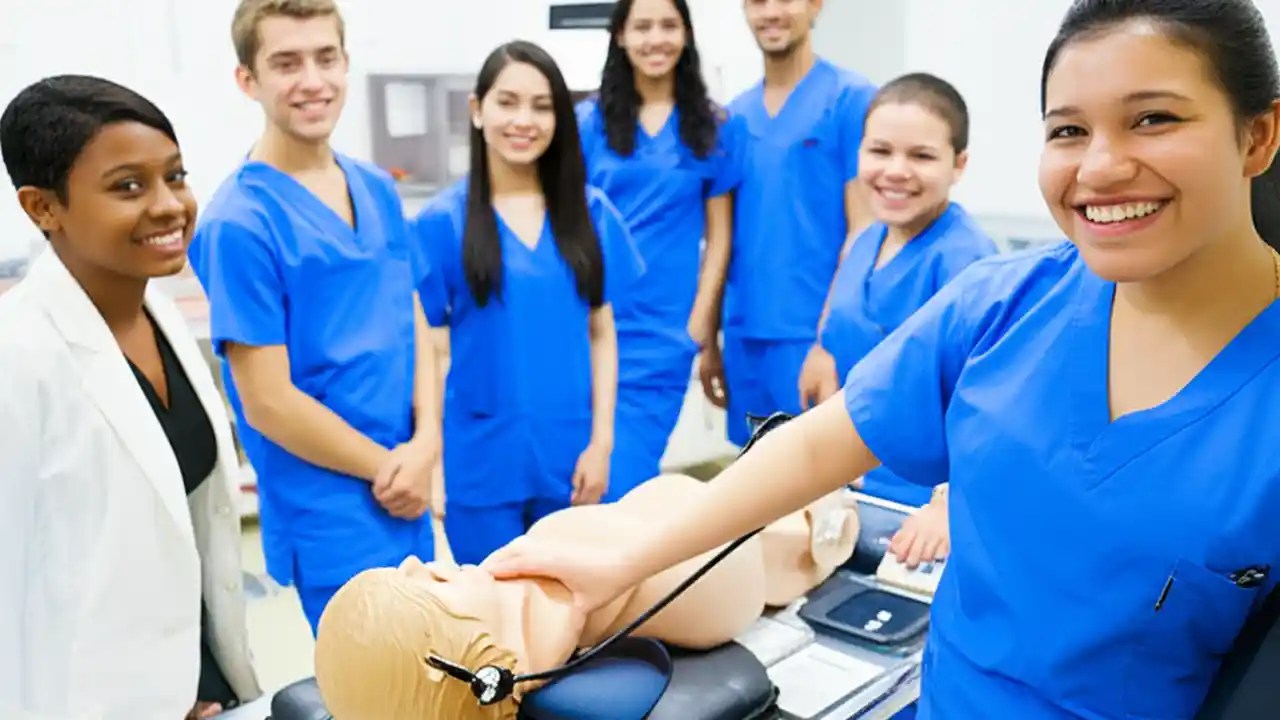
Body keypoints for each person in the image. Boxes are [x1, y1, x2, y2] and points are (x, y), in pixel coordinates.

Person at [485, 1, 1280, 717]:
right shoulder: (1002, 304)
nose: (1099, 166)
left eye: (1154, 120)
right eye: (1068, 129)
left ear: (1259, 135)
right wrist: (623, 559)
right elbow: (818, 442)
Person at [0, 75, 261, 719]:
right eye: (128, 186)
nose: (171, 205)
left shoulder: (161, 317)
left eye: (175, 175)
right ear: (42, 207)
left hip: (205, 684)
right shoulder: (20, 358)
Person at [187, 0, 441, 636]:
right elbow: (268, 401)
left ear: (346, 64)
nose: (312, 80)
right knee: (370, 694)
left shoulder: (377, 187)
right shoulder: (240, 222)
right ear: (248, 80)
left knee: (430, 678)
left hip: (405, 487)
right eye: (286, 63)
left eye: (326, 58)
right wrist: (390, 469)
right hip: (332, 508)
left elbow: (411, 318)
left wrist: (428, 441)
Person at [311, 472, 859, 719]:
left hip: (678, 525)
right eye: (419, 587)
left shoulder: (506, 603)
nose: (412, 562)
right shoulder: (543, 626)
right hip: (723, 567)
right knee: (794, 545)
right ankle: (829, 528)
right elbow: (526, 672)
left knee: (765, 501)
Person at [411, 41, 644, 567]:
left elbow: (602, 332)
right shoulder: (442, 222)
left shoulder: (591, 215)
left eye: (542, 106)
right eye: (507, 102)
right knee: (493, 620)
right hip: (481, 462)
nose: (524, 120)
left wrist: (602, 443)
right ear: (477, 110)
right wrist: (433, 463)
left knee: (570, 616)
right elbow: (423, 345)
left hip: (571, 456)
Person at [801, 73, 997, 568]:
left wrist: (948, 502)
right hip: (857, 490)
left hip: (926, 513)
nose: (896, 170)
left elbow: (991, 404)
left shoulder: (965, 261)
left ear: (960, 165)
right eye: (880, 151)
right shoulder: (867, 240)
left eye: (922, 156)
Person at [576, 0, 743, 500]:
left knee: (623, 483)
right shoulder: (588, 123)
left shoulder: (713, 127)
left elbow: (720, 238)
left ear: (687, 35)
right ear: (620, 36)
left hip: (662, 334)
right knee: (576, 480)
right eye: (642, 26)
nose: (656, 38)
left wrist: (698, 323)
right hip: (590, 325)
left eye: (668, 25)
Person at [705, 0, 878, 445]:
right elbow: (720, 242)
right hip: (745, 336)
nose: (771, 13)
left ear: (815, 5)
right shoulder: (732, 118)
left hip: (811, 334)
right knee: (751, 490)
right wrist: (709, 341)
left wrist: (827, 341)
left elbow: (864, 230)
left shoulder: (851, 101)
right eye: (758, 2)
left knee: (818, 492)